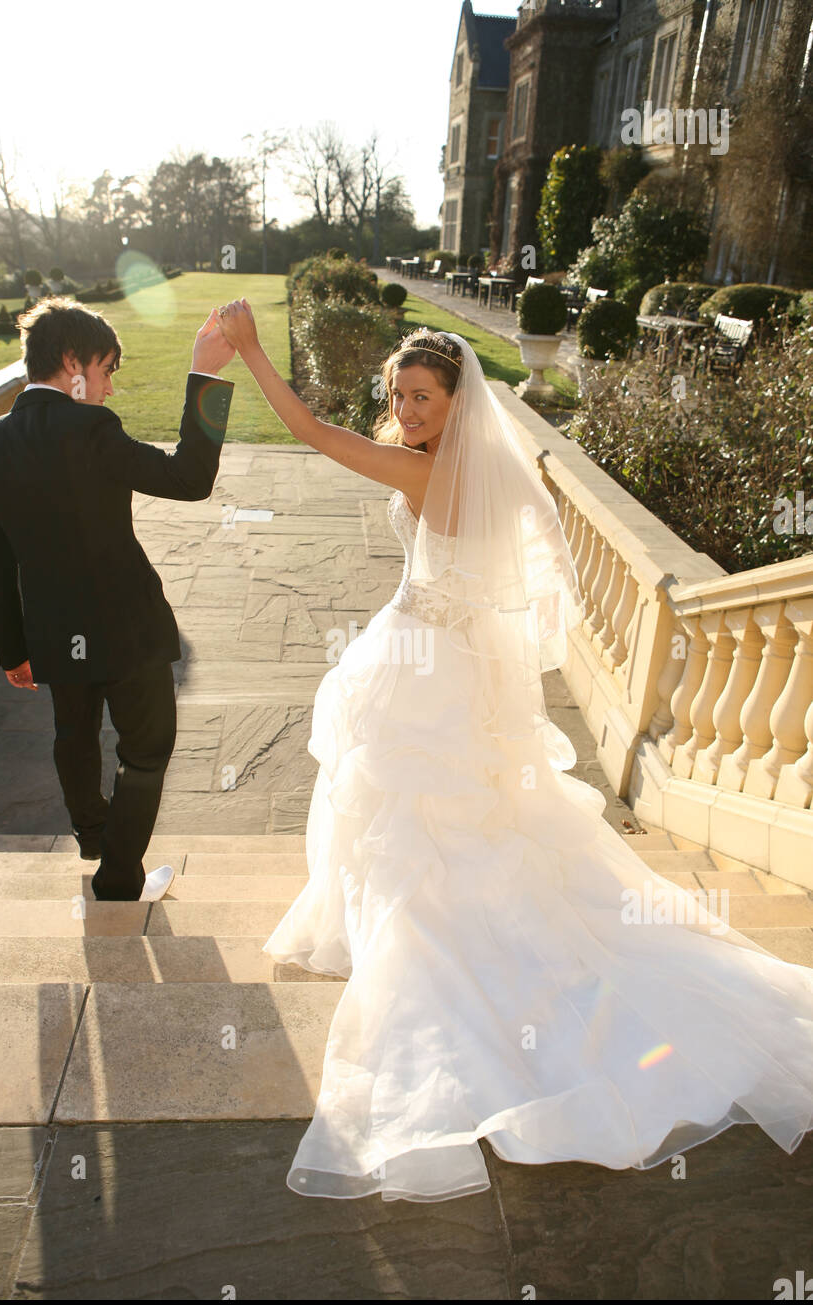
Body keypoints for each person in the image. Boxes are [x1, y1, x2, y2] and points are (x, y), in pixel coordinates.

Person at [215, 296, 813, 1204]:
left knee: (408, 807)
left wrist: (253, 350)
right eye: (400, 396)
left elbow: (309, 430)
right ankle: (443, 926)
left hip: (425, 663)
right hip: (462, 663)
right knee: (463, 815)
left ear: (457, 401)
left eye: (421, 398)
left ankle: (437, 952)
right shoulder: (482, 465)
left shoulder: (425, 477)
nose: (408, 413)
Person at [0, 297, 236, 902]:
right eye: (108, 369)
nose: (110, 388)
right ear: (72, 362)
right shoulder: (92, 430)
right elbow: (189, 480)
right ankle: (116, 876)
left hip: (53, 631)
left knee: (75, 735)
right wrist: (206, 377)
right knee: (146, 751)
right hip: (129, 630)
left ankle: (96, 839)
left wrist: (12, 647)